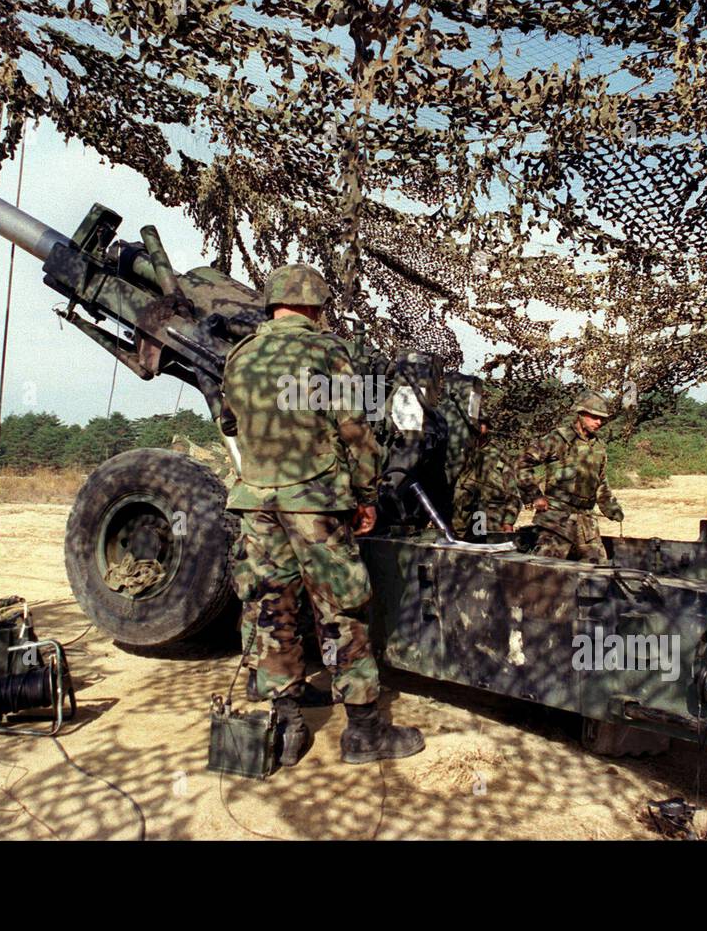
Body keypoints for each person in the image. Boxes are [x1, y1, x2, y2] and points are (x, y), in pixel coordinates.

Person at [223, 262, 424, 766]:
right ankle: (363, 733)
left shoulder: (240, 356)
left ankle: (286, 730)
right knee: (341, 609)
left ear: (273, 304)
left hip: (256, 505)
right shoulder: (326, 350)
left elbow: (229, 420)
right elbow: (354, 431)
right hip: (314, 504)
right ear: (315, 305)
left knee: (270, 609)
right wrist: (367, 494)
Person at [515, 391, 623, 562]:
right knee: (546, 576)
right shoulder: (558, 439)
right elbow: (522, 464)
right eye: (594, 417)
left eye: (602, 418)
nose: (599, 422)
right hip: (556, 522)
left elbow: (600, 481)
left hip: (586, 523)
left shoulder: (599, 447)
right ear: (580, 413)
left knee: (598, 573)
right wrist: (534, 495)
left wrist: (611, 508)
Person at [452, 418, 520, 538]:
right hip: (462, 518)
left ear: (488, 427)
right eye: (476, 423)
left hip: (491, 516)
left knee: (487, 549)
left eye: (482, 424)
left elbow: (513, 490)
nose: (479, 427)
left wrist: (508, 521)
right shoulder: (461, 451)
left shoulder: (499, 452)